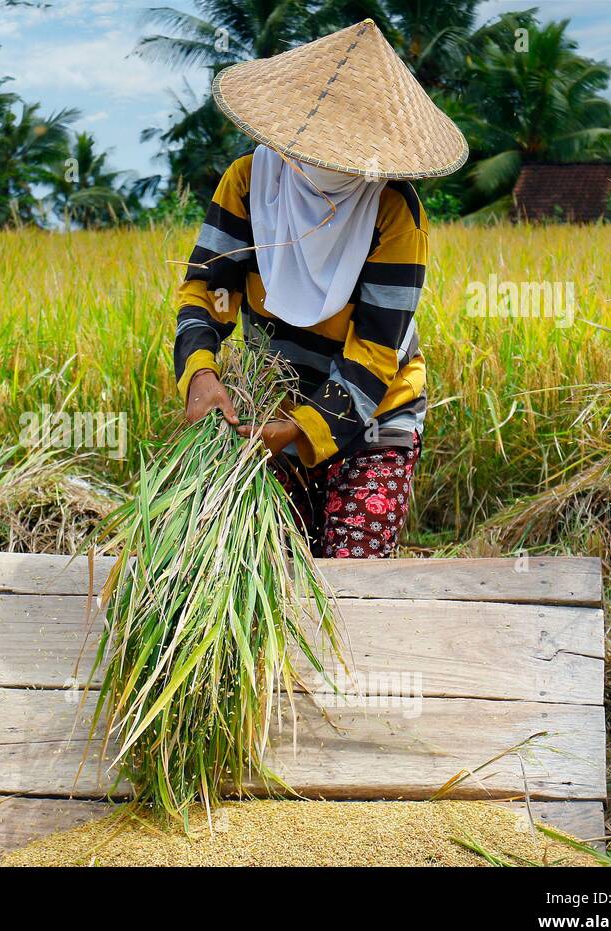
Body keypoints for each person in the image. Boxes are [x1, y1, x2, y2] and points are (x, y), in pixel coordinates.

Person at [174, 19, 467, 558]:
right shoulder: (248, 185)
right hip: (268, 412)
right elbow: (210, 295)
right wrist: (202, 372)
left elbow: (377, 352)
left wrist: (302, 428)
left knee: (351, 581)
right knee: (267, 566)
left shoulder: (392, 211)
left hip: (375, 419)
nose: (326, 163)